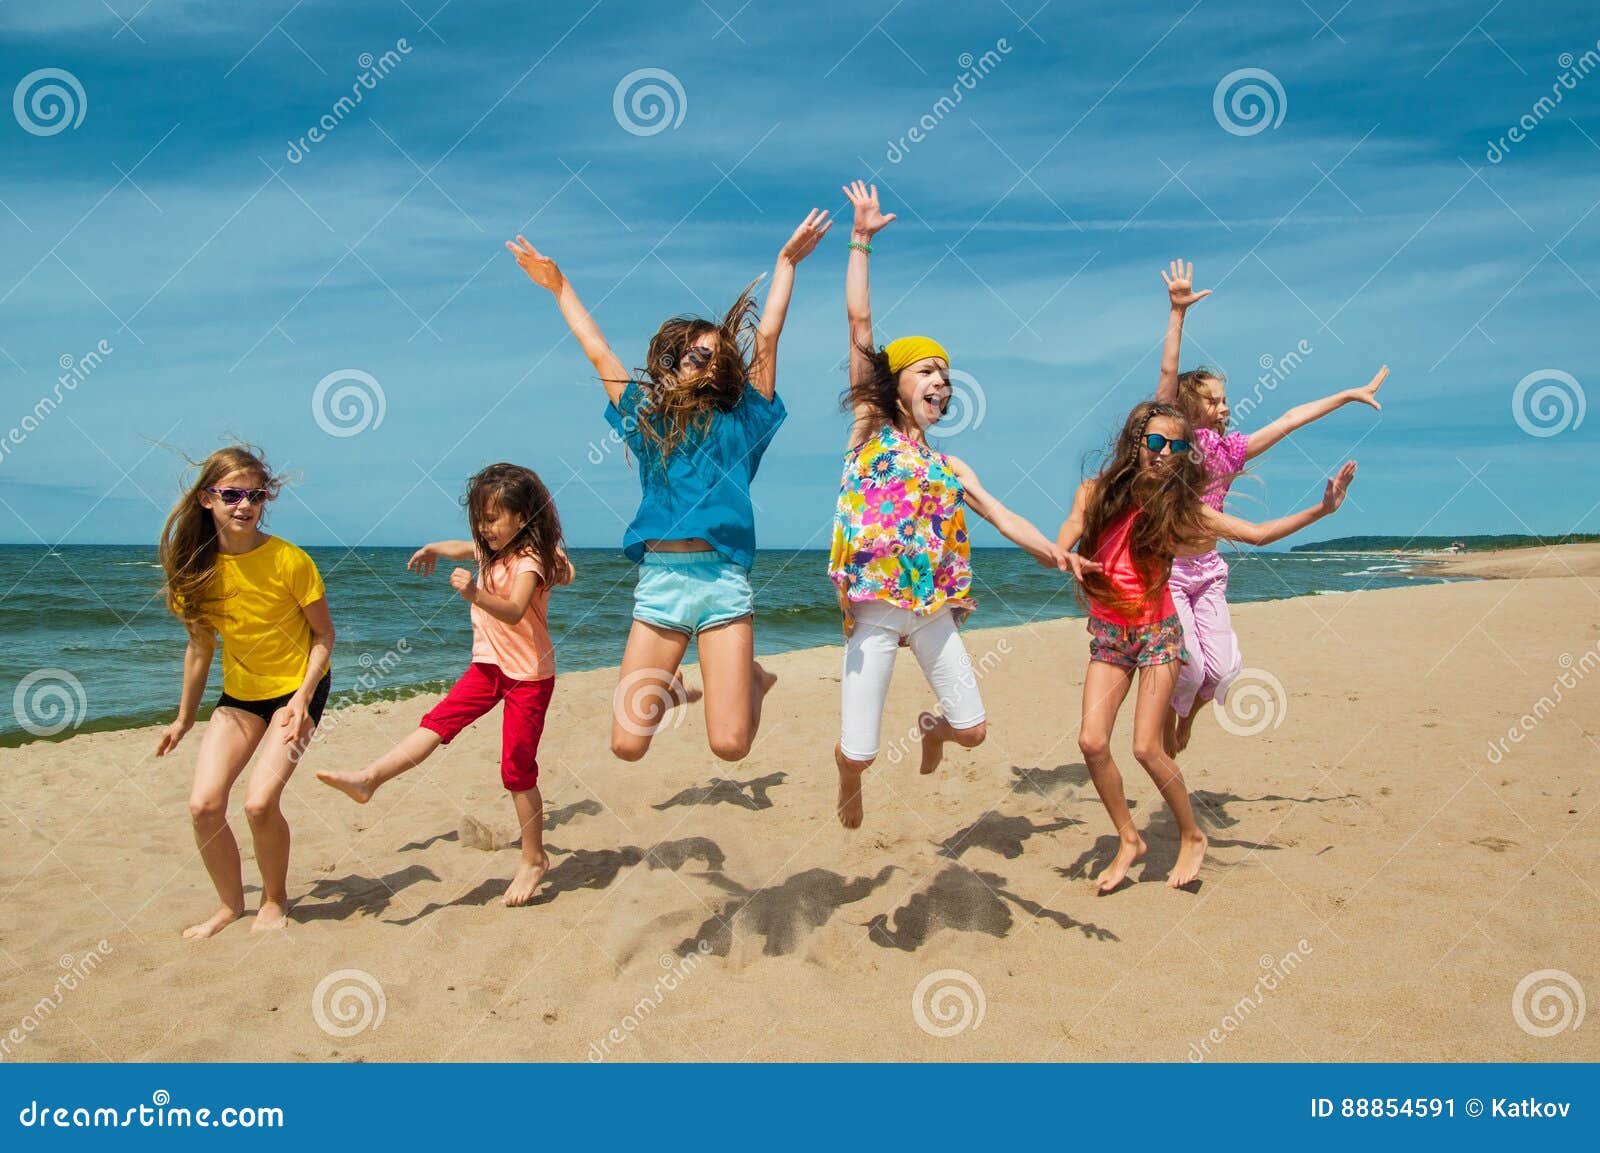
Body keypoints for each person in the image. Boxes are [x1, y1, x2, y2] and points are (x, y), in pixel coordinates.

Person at [317, 464, 572, 907]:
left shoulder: (529, 561)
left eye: (492, 518)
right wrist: (435, 546)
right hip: (489, 669)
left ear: (522, 516)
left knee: (516, 768)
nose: (483, 528)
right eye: (479, 518)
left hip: (528, 677)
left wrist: (474, 594)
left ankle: (534, 858)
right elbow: (464, 547)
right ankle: (369, 779)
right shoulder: (491, 549)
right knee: (435, 724)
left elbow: (513, 610)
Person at [155, 445, 334, 938]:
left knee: (258, 804)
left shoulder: (289, 561)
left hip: (299, 689)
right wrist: (183, 718)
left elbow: (324, 637)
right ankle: (229, 905)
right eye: (232, 493)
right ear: (206, 500)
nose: (244, 504)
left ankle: (274, 900)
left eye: (254, 494)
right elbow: (199, 648)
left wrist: (300, 702)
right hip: (241, 696)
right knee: (204, 805)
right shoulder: (197, 569)